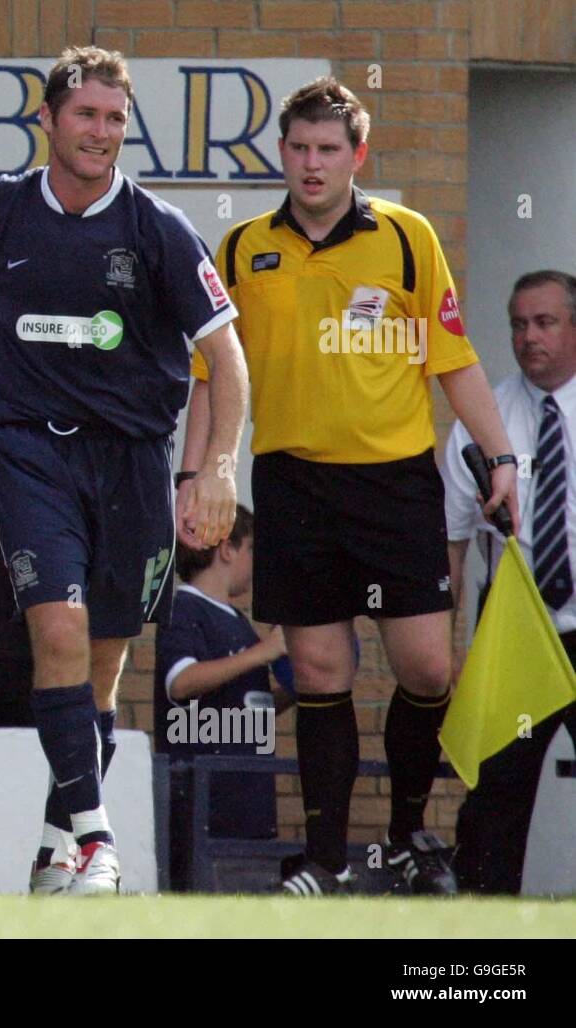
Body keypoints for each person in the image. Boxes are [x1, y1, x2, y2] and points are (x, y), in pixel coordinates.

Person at [0, 45, 249, 895]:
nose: (102, 132)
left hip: (134, 462)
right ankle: (100, 844)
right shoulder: (0, 213)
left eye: (115, 118)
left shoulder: (158, 230)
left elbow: (227, 352)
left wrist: (217, 465)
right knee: (57, 633)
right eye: (86, 115)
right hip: (30, 451)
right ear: (49, 119)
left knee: (101, 670)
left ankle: (51, 846)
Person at [181, 76, 519, 896]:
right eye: (297, 148)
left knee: (429, 668)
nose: (311, 164)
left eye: (327, 149)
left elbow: (453, 359)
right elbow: (210, 376)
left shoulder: (407, 238)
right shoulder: (240, 248)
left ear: (356, 155)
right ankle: (325, 858)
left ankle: (407, 830)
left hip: (396, 483)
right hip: (293, 485)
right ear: (283, 154)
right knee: (323, 670)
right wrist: (195, 476)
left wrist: (500, 454)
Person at [444, 270, 576, 893]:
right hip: (518, 631)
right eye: (519, 324)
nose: (529, 338)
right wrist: (447, 646)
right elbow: (452, 539)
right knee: (495, 798)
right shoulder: (484, 416)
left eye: (545, 322)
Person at [153, 506, 294, 891]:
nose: (256, 562)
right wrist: (264, 652)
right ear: (227, 549)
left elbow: (249, 704)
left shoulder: (238, 621)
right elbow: (181, 682)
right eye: (252, 549)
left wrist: (291, 693)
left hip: (251, 801)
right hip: (206, 807)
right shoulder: (184, 608)